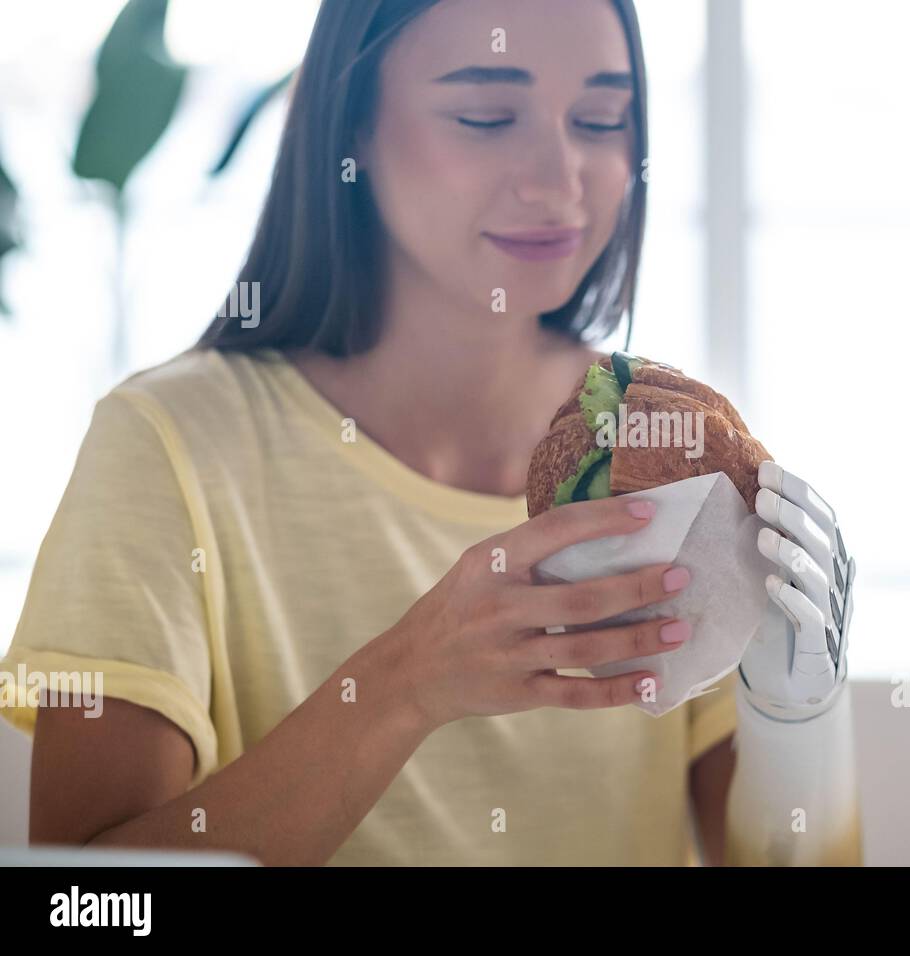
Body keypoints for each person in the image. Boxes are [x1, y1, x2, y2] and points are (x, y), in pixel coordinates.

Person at [1, 0, 860, 865]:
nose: (560, 177)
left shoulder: (669, 462)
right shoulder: (165, 448)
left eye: (602, 119)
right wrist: (402, 687)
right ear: (351, 129)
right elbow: (90, 907)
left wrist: (798, 721)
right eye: (486, 116)